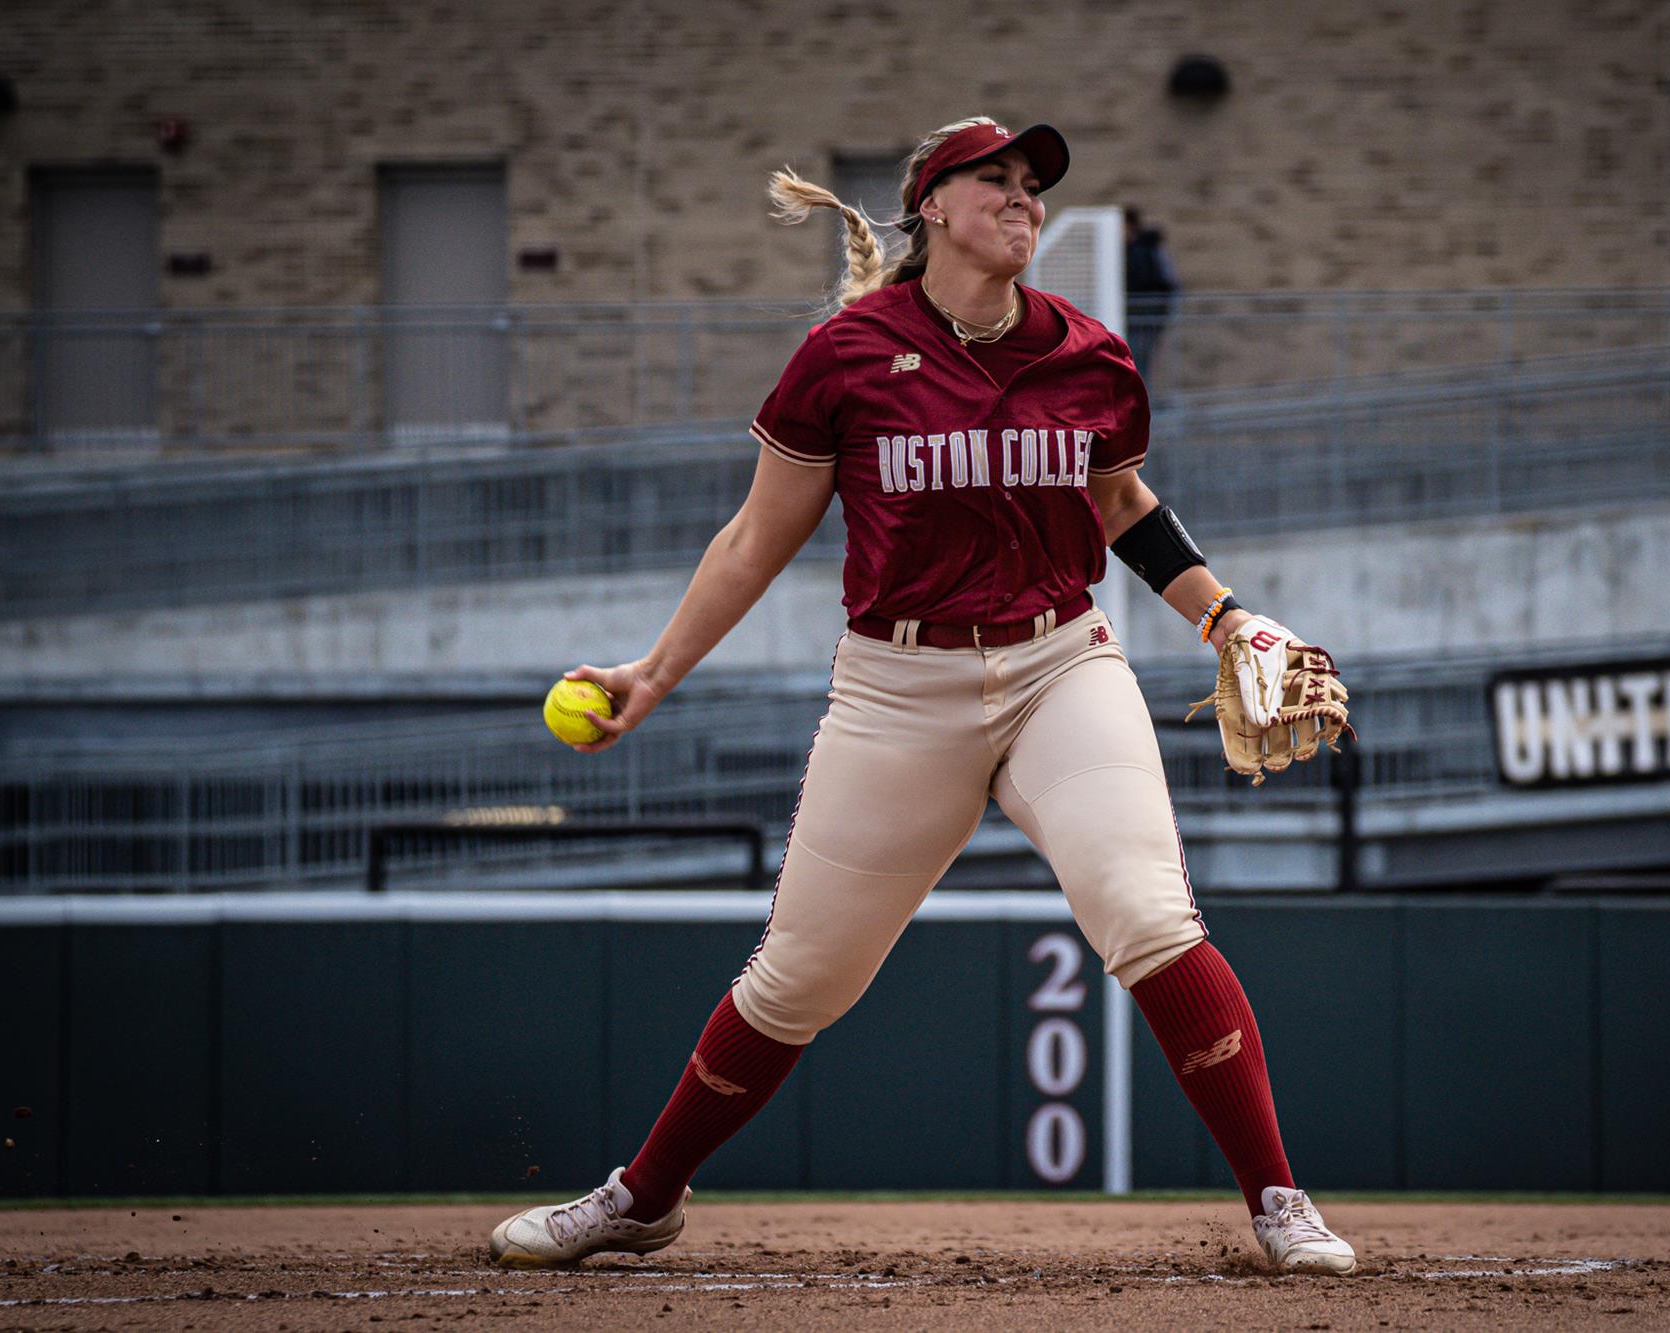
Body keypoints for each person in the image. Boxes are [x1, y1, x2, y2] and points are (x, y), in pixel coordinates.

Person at [488, 116, 1357, 1277]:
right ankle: (642, 1196)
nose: (1022, 199)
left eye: (1030, 185)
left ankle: (1278, 1200)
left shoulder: (1089, 353)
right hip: (898, 686)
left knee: (1147, 913)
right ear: (931, 208)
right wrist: (653, 673)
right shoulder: (845, 353)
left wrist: (1223, 612)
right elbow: (755, 537)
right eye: (992, 180)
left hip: (1060, 663)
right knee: (797, 975)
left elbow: (1121, 507)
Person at [1123, 206, 1180, 387]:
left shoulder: (1142, 249)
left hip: (1145, 315)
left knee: (1137, 360)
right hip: (1144, 314)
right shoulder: (1145, 246)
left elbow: (1159, 282)